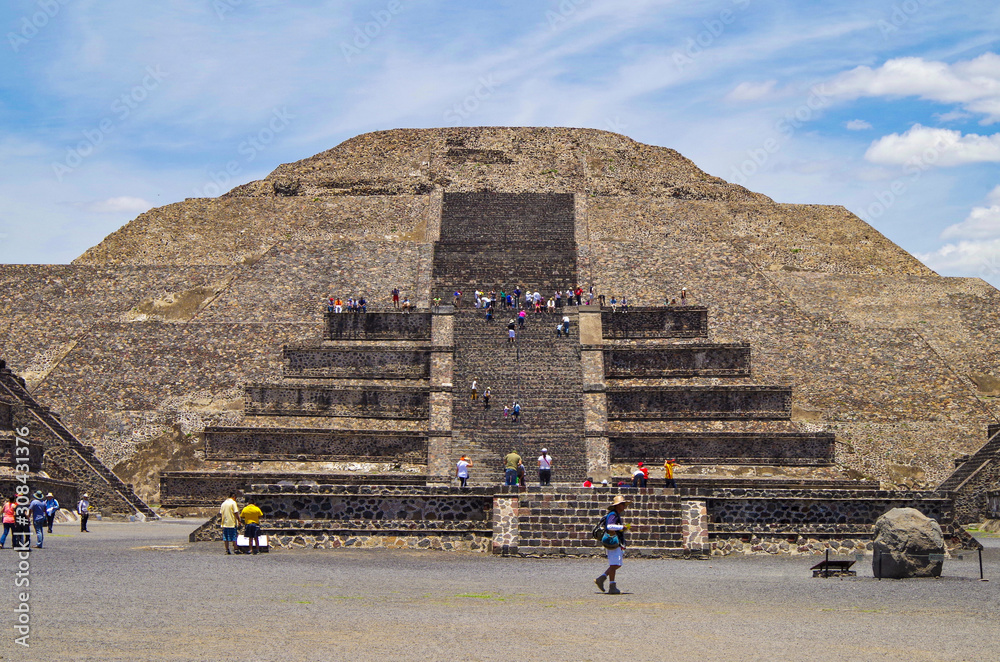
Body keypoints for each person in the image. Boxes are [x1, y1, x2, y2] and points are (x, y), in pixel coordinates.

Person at [595, 495, 630, 595]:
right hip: (613, 541)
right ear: (618, 505)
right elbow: (610, 526)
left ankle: (603, 578)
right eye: (622, 504)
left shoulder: (615, 514)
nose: (624, 506)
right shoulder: (613, 514)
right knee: (615, 564)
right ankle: (611, 585)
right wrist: (622, 527)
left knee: (616, 564)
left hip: (615, 541)